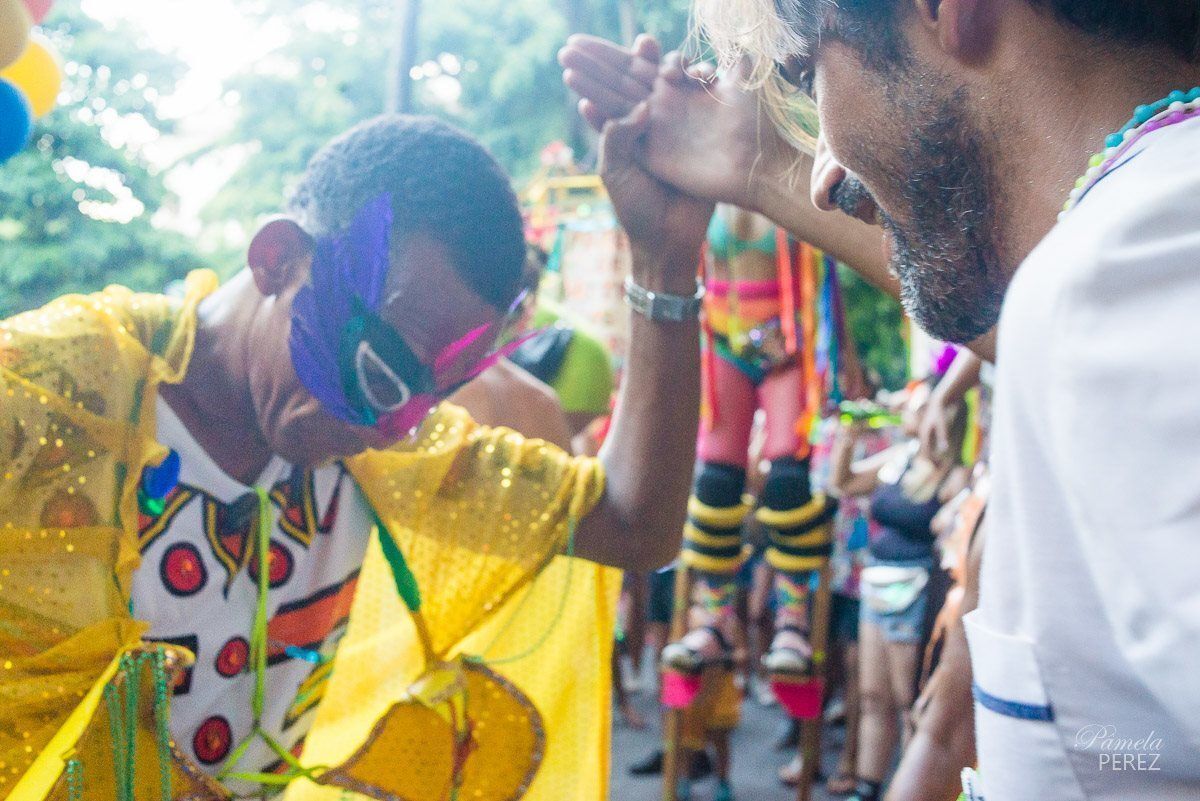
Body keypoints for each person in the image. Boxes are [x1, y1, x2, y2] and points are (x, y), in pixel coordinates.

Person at [562, 2, 1200, 796]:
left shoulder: (1132, 266)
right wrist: (755, 165)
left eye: (807, 74)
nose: (826, 177)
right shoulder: (1138, 246)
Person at [1, 113, 709, 798]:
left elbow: (636, 525)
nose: (391, 431)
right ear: (277, 259)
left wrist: (667, 264)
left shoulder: (378, 461)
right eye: (378, 370)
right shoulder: (41, 396)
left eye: (430, 397)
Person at [830, 380, 968, 801]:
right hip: (877, 583)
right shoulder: (899, 459)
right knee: (873, 696)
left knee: (910, 701)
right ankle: (868, 787)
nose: (908, 411)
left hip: (918, 593)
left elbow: (953, 532)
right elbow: (846, 483)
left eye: (921, 406)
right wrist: (848, 441)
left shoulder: (953, 473)